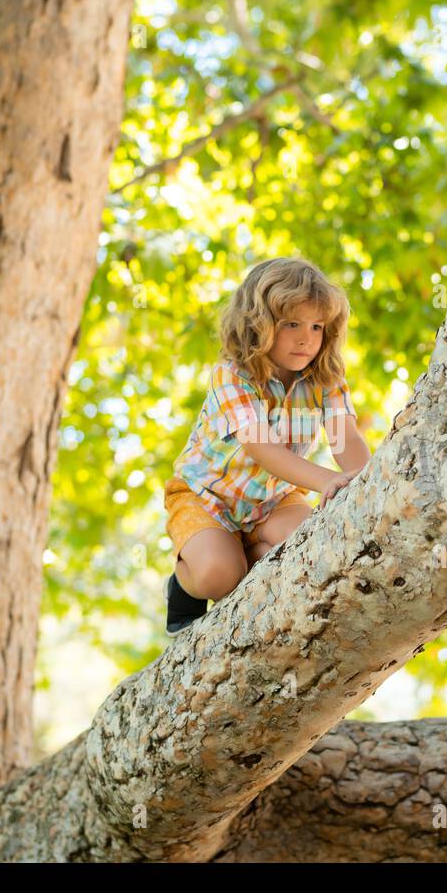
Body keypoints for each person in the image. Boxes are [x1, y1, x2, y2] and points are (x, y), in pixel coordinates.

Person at [162, 257, 371, 636]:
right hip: (207, 497)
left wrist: (362, 480)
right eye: (291, 323)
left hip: (273, 500)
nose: (306, 337)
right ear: (257, 323)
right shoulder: (233, 374)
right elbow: (262, 448)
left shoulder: (325, 378)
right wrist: (327, 480)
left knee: (315, 549)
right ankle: (183, 583)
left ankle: (247, 555)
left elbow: (345, 437)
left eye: (316, 326)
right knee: (219, 577)